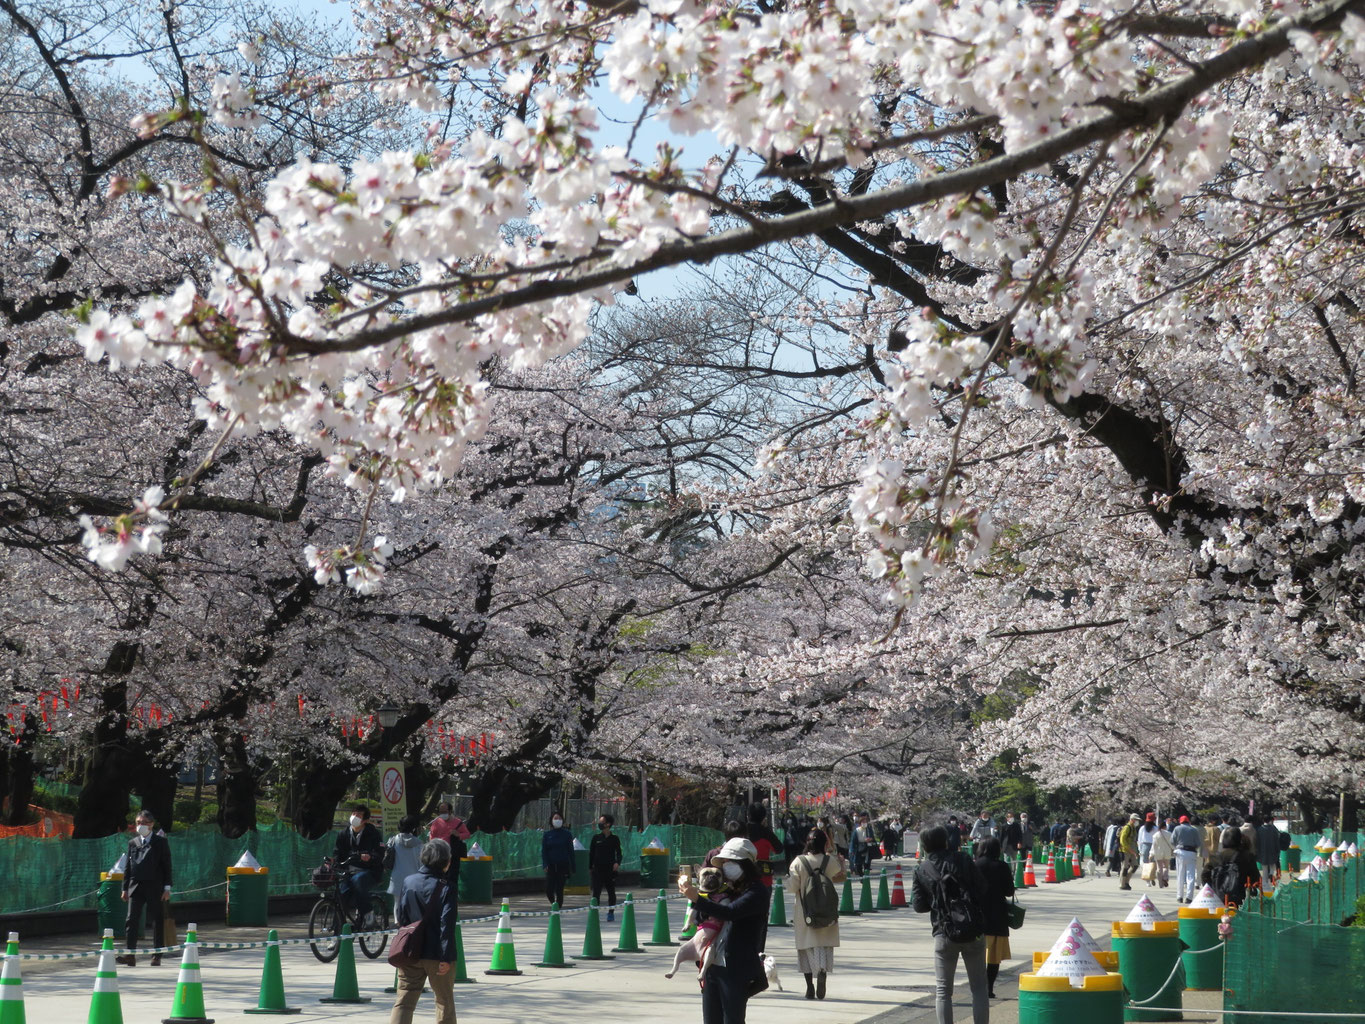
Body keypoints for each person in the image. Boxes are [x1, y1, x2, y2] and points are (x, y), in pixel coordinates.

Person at [677, 837, 771, 1024]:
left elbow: (731, 913)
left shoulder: (757, 892)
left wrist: (698, 899)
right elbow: (707, 916)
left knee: (732, 1020)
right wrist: (697, 898)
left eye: (730, 862)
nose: (726, 866)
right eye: (724, 862)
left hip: (736, 967)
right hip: (712, 965)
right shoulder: (727, 889)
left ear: (745, 864)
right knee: (711, 1019)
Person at [912, 825, 989, 1024]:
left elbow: (919, 906)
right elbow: (982, 888)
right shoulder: (962, 859)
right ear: (946, 841)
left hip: (943, 932)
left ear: (925, 845)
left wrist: (939, 900)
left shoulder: (922, 869)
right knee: (979, 988)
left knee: (943, 991)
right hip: (973, 930)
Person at [388, 839, 457, 1024]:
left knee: (404, 1001)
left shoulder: (409, 881)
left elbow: (402, 916)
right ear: (446, 861)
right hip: (436, 953)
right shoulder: (446, 886)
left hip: (410, 950)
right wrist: (446, 956)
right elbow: (447, 924)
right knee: (444, 1001)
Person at [789, 828, 846, 1000]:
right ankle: (822, 972)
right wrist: (842, 864)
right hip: (826, 911)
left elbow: (792, 887)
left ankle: (809, 987)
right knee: (823, 945)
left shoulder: (798, 862)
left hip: (805, 911)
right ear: (824, 843)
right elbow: (841, 877)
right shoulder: (829, 861)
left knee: (806, 949)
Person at [116, 810, 172, 967]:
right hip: (136, 886)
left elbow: (167, 866)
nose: (140, 826)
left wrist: (167, 887)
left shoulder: (160, 842)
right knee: (131, 919)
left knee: (157, 920)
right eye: (138, 822)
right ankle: (130, 954)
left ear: (151, 824)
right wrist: (125, 888)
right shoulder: (133, 843)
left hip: (156, 887)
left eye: (144, 823)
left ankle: (157, 955)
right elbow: (128, 866)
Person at [974, 837, 1014, 999]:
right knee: (994, 958)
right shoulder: (1002, 866)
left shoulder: (975, 865)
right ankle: (989, 988)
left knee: (977, 956)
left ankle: (978, 988)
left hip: (978, 917)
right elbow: (1009, 891)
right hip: (998, 916)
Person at [334, 804, 384, 919]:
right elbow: (337, 853)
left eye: (359, 815)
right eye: (353, 813)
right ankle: (338, 926)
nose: (354, 816)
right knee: (341, 892)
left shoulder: (374, 834)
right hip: (348, 871)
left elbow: (380, 854)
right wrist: (333, 863)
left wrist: (370, 857)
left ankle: (369, 916)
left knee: (358, 880)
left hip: (370, 871)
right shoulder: (343, 834)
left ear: (365, 820)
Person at [1202, 828, 1259, 907]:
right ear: (1239, 839)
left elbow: (1204, 875)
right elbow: (1255, 877)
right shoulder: (1247, 857)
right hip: (1241, 899)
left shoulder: (1215, 857)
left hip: (1219, 899)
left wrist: (1212, 889)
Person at [386, 814, 426, 912]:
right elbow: (422, 863)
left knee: (397, 904)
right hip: (414, 878)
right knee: (414, 905)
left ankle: (398, 924)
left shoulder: (393, 840)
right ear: (414, 828)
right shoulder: (419, 843)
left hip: (397, 877)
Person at [589, 812, 623, 921]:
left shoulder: (614, 839)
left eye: (602, 822)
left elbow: (619, 853)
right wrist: (590, 867)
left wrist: (617, 862)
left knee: (611, 892)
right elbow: (591, 853)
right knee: (596, 892)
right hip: (597, 869)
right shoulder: (596, 838)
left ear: (608, 824)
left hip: (609, 870)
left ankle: (611, 912)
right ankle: (595, 912)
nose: (600, 823)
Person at [541, 808, 575, 907]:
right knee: (549, 889)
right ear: (551, 821)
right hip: (551, 865)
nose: (557, 820)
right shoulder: (547, 835)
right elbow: (544, 851)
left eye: (559, 818)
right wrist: (545, 864)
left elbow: (571, 851)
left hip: (562, 865)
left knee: (559, 889)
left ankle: (558, 908)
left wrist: (573, 866)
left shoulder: (567, 834)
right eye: (555, 818)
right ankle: (553, 904)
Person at [747, 803, 782, 888]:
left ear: (748, 815)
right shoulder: (766, 833)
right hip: (763, 877)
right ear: (763, 817)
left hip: (743, 878)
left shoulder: (741, 830)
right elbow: (779, 849)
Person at [1171, 815, 1203, 903]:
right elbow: (1198, 843)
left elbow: (1172, 841)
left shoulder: (1177, 829)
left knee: (1180, 875)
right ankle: (1189, 897)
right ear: (1188, 821)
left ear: (1180, 821)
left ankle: (1179, 896)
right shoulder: (1194, 830)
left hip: (1180, 852)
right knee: (1191, 875)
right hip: (1191, 852)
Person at [1255, 815, 1282, 892]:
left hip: (1262, 851)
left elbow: (1257, 842)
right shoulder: (1273, 829)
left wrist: (1258, 851)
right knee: (1272, 865)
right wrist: (1277, 849)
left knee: (1264, 868)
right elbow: (1277, 840)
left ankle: (1265, 884)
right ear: (1269, 820)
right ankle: (1271, 874)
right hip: (1272, 850)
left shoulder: (1259, 829)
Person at [1149, 819, 1174, 888]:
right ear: (1165, 827)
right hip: (1167, 852)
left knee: (1159, 868)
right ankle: (1165, 878)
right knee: (1166, 867)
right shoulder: (1169, 834)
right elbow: (1172, 844)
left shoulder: (1155, 835)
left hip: (1158, 853)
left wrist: (1151, 854)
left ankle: (1160, 884)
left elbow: (1154, 845)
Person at [1118, 813, 1140, 890]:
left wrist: (1136, 851)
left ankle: (1126, 881)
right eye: (1136, 820)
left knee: (1135, 866)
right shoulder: (1127, 828)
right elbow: (1122, 840)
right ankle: (1122, 884)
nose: (1137, 821)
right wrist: (1129, 849)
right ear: (1132, 819)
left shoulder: (1133, 828)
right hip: (1125, 850)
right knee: (1124, 867)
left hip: (1133, 850)